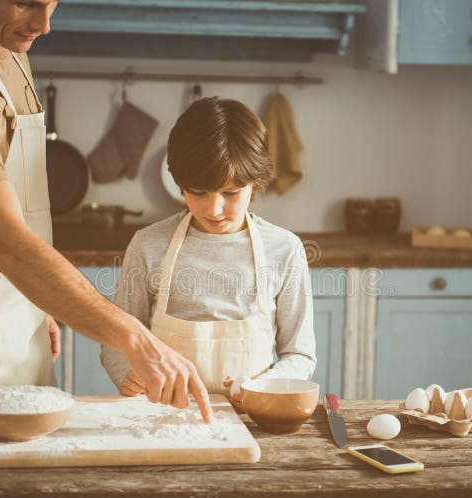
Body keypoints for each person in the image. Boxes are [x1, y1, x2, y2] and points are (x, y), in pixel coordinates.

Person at [0, 0, 211, 421]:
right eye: (27, 4)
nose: (44, 25)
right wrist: (138, 340)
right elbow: (9, 246)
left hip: (9, 312)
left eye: (52, 4)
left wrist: (35, 304)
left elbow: (15, 211)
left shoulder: (9, 52)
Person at [101, 97, 316, 405]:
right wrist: (127, 373)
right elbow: (117, 341)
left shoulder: (284, 249)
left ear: (255, 183)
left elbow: (299, 354)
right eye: (198, 192)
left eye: (230, 193)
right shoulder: (148, 245)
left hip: (252, 418)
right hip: (164, 418)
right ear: (180, 184)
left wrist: (261, 388)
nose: (214, 209)